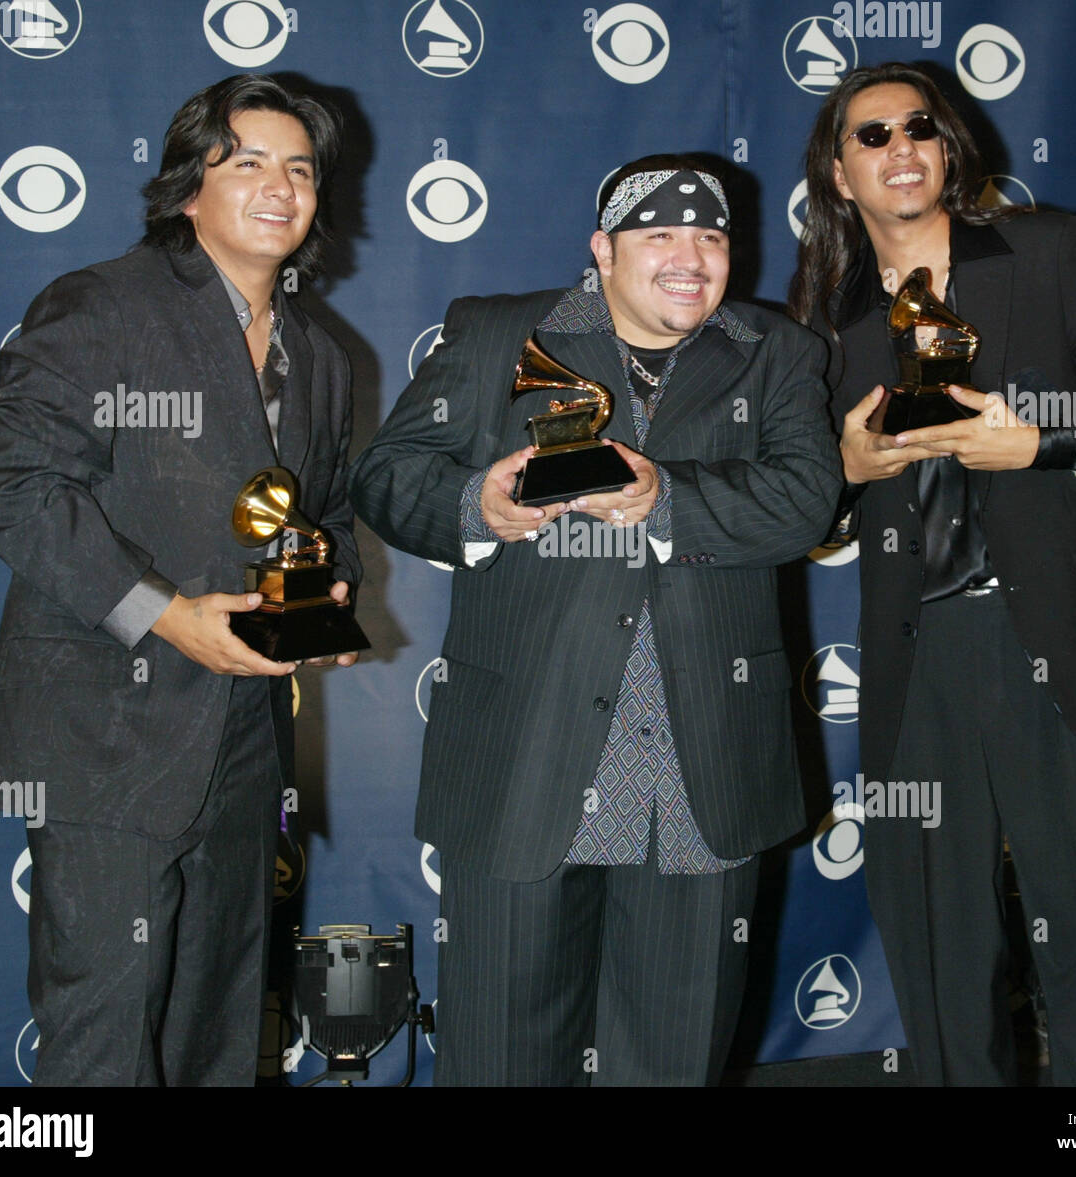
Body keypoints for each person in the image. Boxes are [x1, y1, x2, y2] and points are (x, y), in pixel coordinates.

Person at [350, 154, 841, 1085]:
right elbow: (384, 475)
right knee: (499, 1059)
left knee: (669, 1062)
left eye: (711, 235)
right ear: (603, 251)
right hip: (520, 764)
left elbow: (806, 500)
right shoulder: (498, 335)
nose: (689, 256)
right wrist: (474, 509)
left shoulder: (777, 351)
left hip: (702, 776)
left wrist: (666, 499)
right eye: (659, 234)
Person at [788, 63, 1076, 1086]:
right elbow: (800, 498)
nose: (899, 147)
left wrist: (1044, 443)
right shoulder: (822, 326)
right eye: (869, 135)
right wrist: (843, 470)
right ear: (838, 176)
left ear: (949, 145)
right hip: (917, 662)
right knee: (935, 948)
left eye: (918, 126)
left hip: (1059, 637)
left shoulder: (1048, 251)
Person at [0, 74, 361, 1085]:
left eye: (300, 169)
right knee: (102, 1032)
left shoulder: (319, 351)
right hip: (105, 732)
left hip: (242, 737)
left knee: (218, 1025)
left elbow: (324, 513)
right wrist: (166, 615)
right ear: (190, 187)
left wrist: (328, 595)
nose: (279, 187)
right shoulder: (101, 306)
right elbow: (15, 496)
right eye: (247, 163)